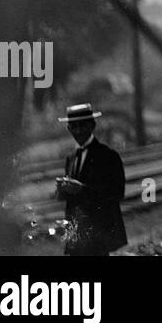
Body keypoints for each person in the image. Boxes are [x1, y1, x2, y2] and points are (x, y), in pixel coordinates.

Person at [54, 103, 127, 257]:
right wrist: (62, 191)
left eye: (83, 125)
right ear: (69, 129)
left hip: (99, 233)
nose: (78, 130)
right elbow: (70, 200)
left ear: (92, 126)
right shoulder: (71, 158)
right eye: (74, 126)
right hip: (77, 234)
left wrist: (82, 189)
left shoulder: (108, 156)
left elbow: (117, 193)